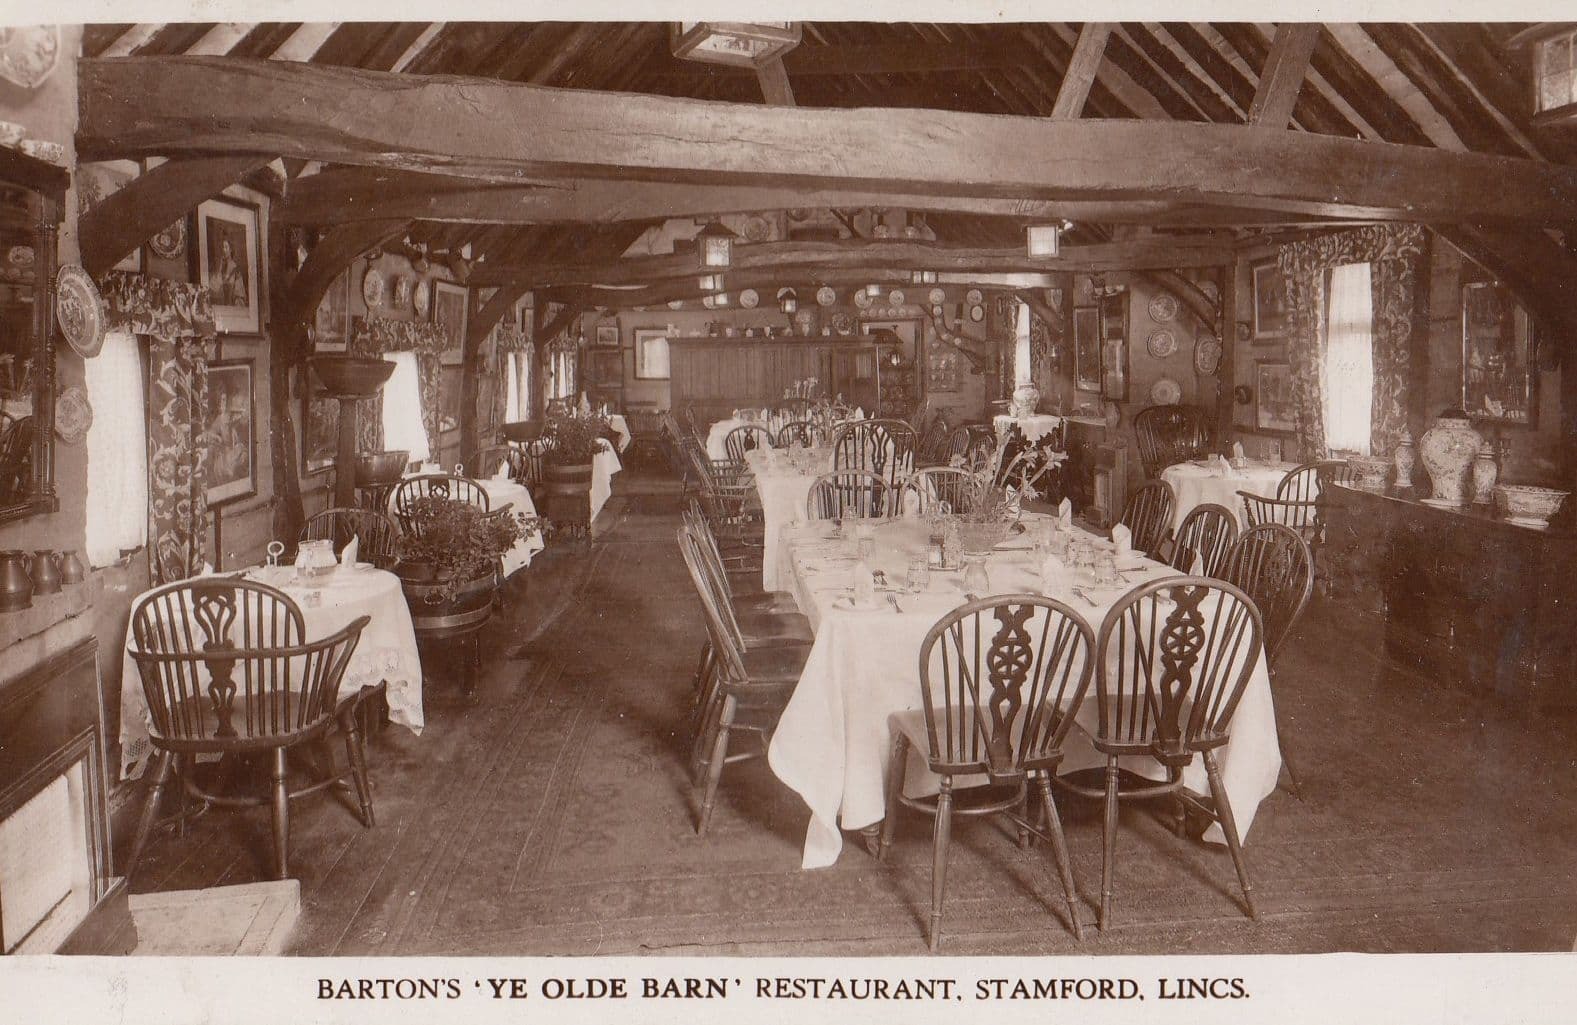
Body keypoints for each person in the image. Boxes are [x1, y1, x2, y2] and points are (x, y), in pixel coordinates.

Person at [213, 235, 247, 307]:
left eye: (226, 247)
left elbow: (239, 296)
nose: (224, 250)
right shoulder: (221, 268)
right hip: (221, 307)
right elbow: (215, 288)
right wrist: (220, 268)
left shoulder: (236, 269)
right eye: (222, 247)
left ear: (231, 249)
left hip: (231, 308)